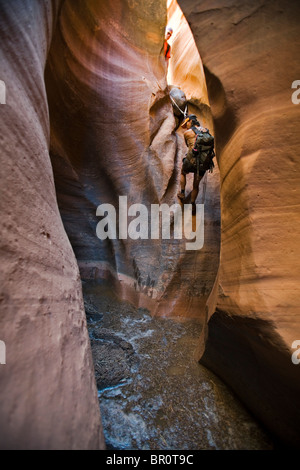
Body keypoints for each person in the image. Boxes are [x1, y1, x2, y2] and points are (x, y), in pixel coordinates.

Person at [177, 114, 214, 214]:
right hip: (203, 162)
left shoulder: (187, 133)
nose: (186, 125)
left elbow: (189, 145)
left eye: (187, 123)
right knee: (196, 185)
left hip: (191, 161)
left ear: (190, 121)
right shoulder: (206, 131)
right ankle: (193, 203)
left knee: (183, 172)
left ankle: (182, 193)